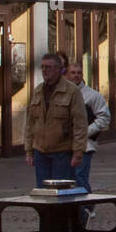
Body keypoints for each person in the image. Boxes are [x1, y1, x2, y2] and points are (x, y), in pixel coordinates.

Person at [24, 53, 88, 185]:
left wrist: (78, 152)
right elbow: (30, 123)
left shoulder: (72, 91)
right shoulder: (37, 91)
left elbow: (80, 124)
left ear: (59, 69)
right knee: (43, 191)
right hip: (40, 152)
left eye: (48, 67)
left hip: (62, 152)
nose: (44, 70)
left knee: (62, 191)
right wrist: (29, 151)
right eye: (42, 67)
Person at [66, 62, 110, 222]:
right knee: (70, 177)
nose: (76, 75)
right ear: (67, 74)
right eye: (73, 72)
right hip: (65, 145)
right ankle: (83, 205)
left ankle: (86, 206)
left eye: (79, 72)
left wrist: (86, 132)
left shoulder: (92, 96)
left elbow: (104, 118)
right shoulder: (62, 94)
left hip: (85, 144)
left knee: (80, 176)